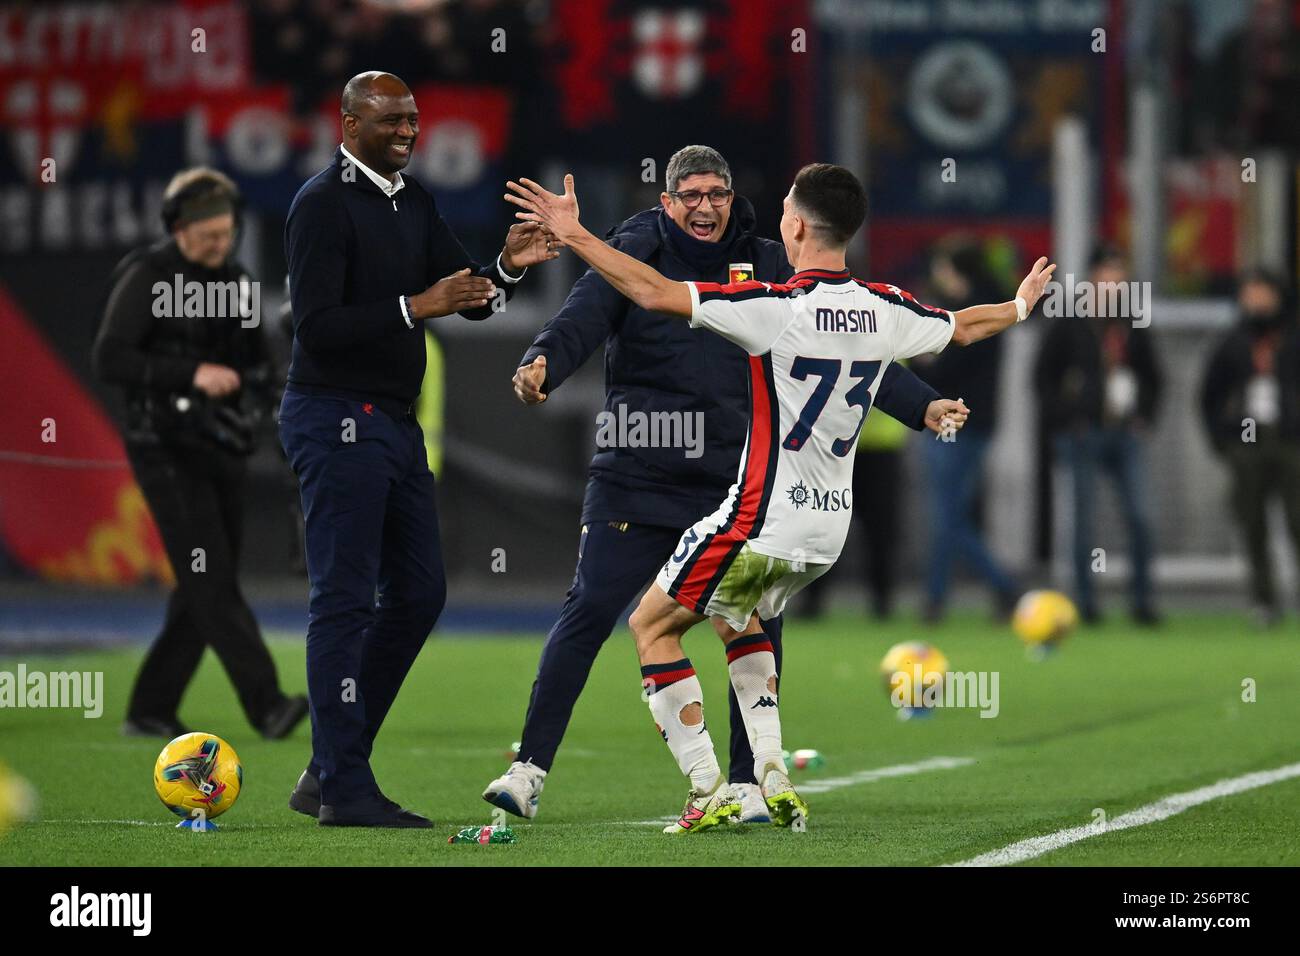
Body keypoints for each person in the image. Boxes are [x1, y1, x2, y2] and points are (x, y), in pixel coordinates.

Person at [505, 164, 1051, 832]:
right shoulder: (885, 304)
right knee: (738, 622)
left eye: (731, 196)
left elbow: (650, 293)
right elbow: (961, 327)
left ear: (791, 223)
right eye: (694, 196)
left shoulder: (774, 302)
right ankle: (764, 775)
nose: (714, 208)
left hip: (753, 510)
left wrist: (575, 232)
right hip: (818, 535)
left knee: (650, 625)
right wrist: (1022, 304)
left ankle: (711, 788)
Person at [278, 71, 560, 827]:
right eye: (391, 120)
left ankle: (331, 766)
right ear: (347, 125)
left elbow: (465, 297)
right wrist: (415, 305)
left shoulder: (414, 200)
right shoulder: (320, 206)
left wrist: (504, 268)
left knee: (419, 592)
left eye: (412, 118)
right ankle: (341, 785)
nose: (408, 130)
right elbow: (314, 328)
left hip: (393, 425)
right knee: (341, 599)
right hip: (334, 417)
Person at [92, 167, 309, 741]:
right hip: (162, 447)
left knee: (203, 579)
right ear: (178, 231)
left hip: (220, 447)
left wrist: (277, 392)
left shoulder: (234, 281)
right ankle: (266, 704)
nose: (220, 245)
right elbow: (109, 358)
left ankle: (149, 707)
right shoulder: (147, 275)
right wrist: (192, 374)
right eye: (207, 236)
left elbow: (260, 366)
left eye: (227, 233)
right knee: (208, 574)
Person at [1035, 244, 1162, 624]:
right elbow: (1043, 378)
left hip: (1124, 434)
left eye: (1118, 275)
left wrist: (1144, 416)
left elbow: (1154, 376)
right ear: (1092, 278)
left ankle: (1142, 602)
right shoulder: (1069, 321)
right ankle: (1086, 604)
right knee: (1084, 522)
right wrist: (1067, 418)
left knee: (1141, 517)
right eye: (1107, 275)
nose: (1113, 283)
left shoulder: (1132, 323)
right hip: (1082, 434)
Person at [912, 240, 1020, 622]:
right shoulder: (993, 310)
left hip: (952, 425)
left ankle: (990, 588)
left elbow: (943, 373)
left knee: (947, 518)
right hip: (978, 425)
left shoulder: (969, 320)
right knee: (952, 515)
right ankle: (945, 597)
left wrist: (916, 359)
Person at [1200, 269, 1300, 628]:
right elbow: (1209, 396)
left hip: (1290, 439)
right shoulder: (1232, 341)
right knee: (1253, 523)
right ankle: (1264, 601)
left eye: (1262, 293)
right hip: (1248, 442)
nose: (1256, 300)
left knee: (1297, 519)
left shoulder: (1291, 337)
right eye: (1250, 293)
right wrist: (1223, 443)